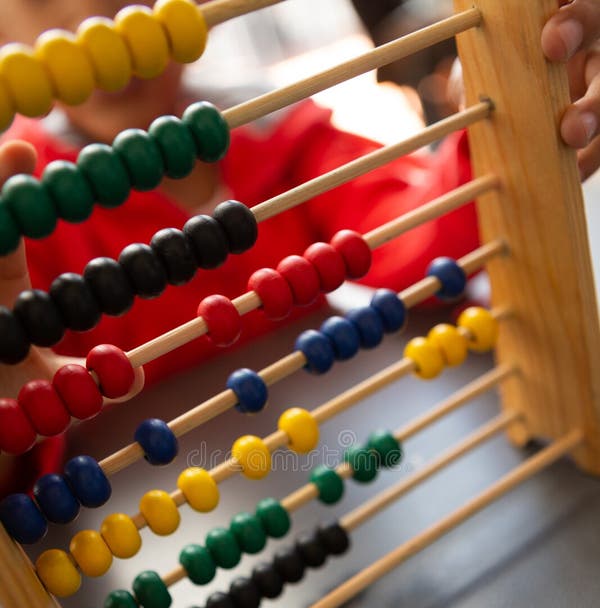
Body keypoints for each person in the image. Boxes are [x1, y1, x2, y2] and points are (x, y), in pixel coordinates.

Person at [0, 0, 599, 494]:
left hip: (341, 459)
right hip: (157, 522)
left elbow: (411, 229)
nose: (94, 15)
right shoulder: (20, 225)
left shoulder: (278, 128)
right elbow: (30, 451)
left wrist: (503, 133)